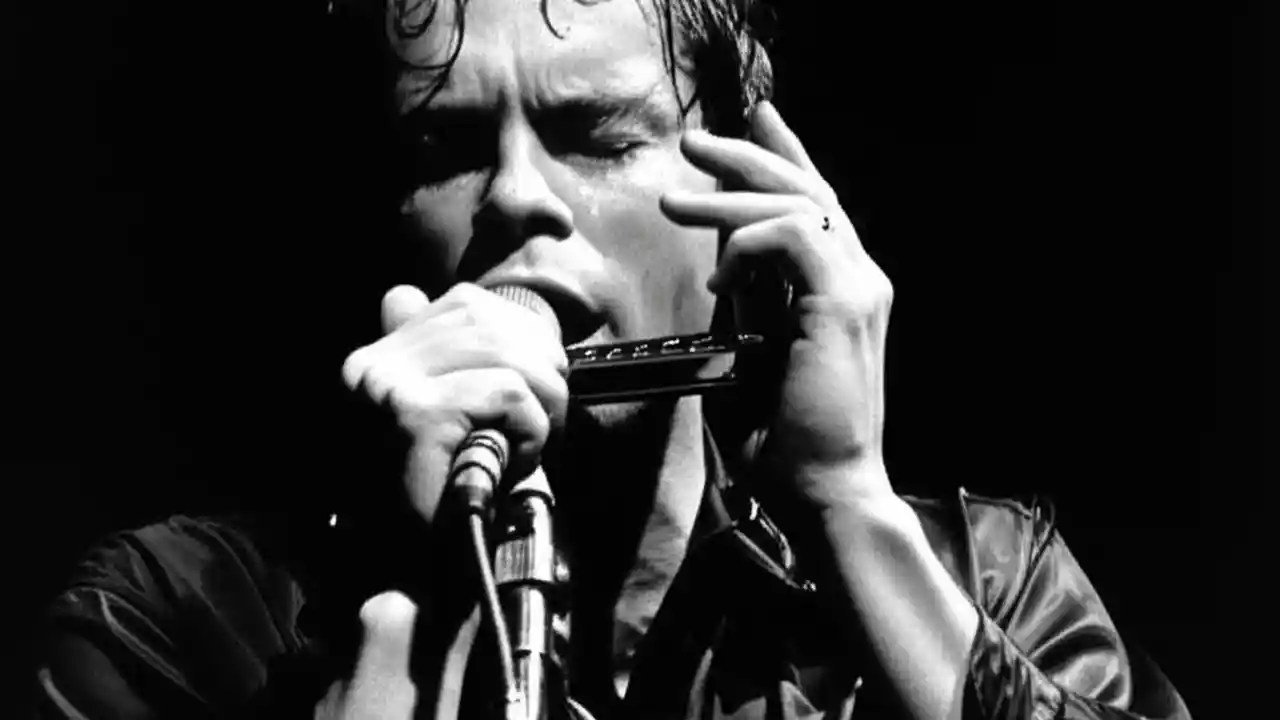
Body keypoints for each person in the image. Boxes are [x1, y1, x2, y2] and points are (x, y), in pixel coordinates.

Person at [34, 1, 1193, 719]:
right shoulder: (176, 624)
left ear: (740, 186)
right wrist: (408, 598)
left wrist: (846, 501)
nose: (514, 196)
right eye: (443, 145)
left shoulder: (986, 579)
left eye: (594, 134)